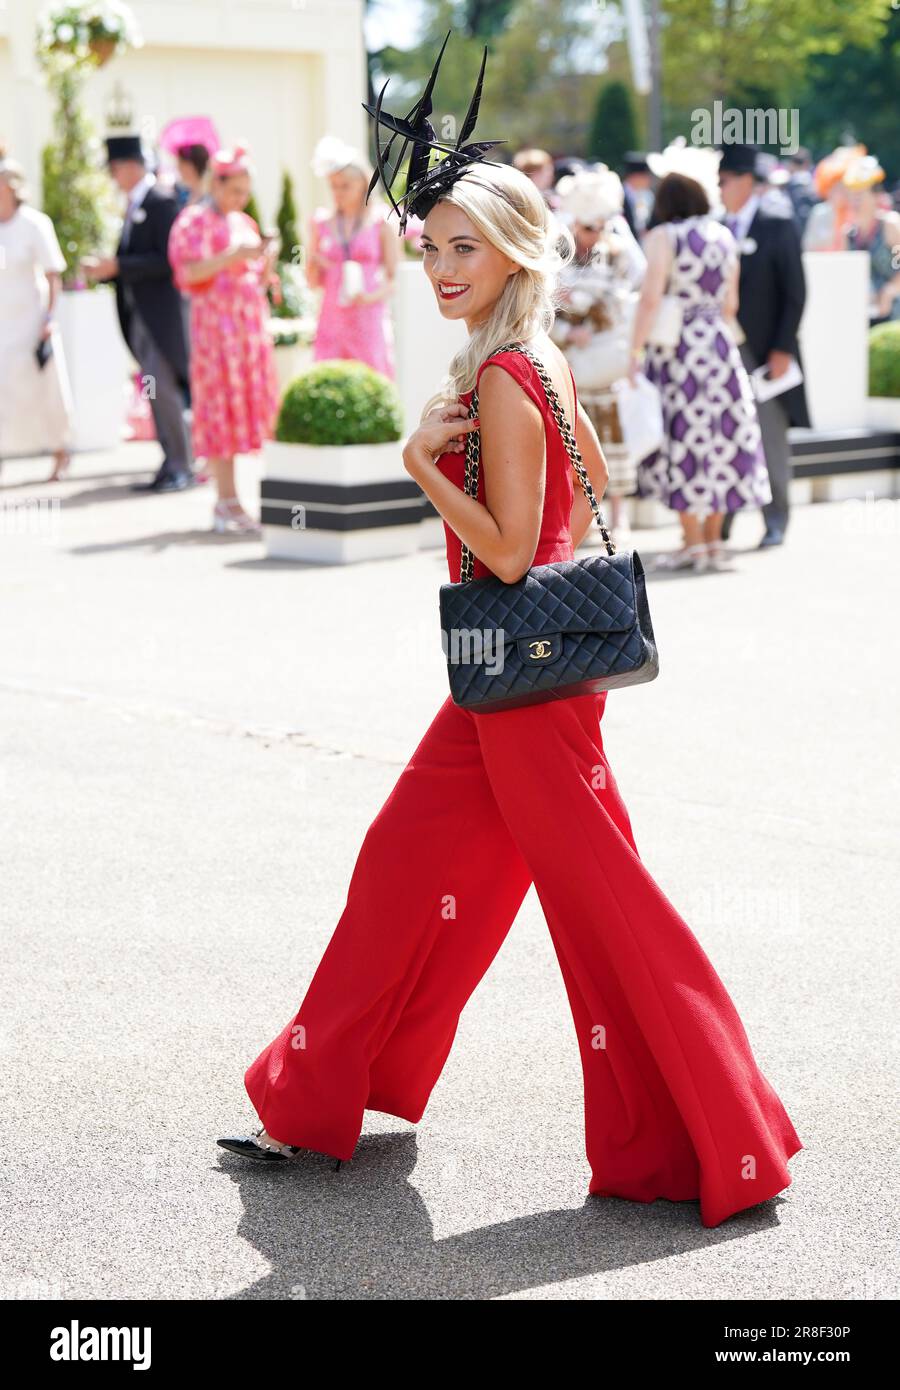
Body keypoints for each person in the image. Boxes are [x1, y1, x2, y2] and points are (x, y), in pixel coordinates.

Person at [218, 38, 803, 1232]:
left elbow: (507, 546)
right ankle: (318, 1090)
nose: (438, 265)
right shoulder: (529, 357)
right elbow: (599, 495)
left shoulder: (501, 375)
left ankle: (720, 1139)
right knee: (410, 871)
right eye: (429, 246)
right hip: (521, 679)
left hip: (522, 685)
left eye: (462, 246)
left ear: (517, 248)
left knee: (606, 912)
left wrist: (421, 464)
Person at [630, 144, 771, 572]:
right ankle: (711, 542)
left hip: (678, 348)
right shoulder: (724, 235)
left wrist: (634, 350)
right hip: (718, 344)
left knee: (683, 438)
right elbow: (730, 303)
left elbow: (651, 298)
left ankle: (692, 543)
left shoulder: (663, 237)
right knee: (719, 437)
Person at [168, 143, 279, 533]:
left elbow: (251, 273)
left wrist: (265, 265)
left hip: (246, 333)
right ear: (217, 184)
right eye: (235, 191)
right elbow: (189, 273)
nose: (241, 199)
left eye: (245, 192)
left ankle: (235, 500)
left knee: (243, 411)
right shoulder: (193, 221)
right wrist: (233, 256)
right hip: (216, 334)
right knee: (220, 411)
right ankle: (226, 501)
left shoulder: (242, 223)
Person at [83, 134, 193, 493]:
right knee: (154, 390)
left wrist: (118, 266)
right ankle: (170, 462)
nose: (113, 177)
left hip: (160, 314)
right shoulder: (138, 202)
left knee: (163, 387)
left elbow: (167, 259)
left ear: (130, 166)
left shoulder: (159, 200)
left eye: (115, 168)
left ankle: (181, 464)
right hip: (142, 314)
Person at [717, 142, 809, 548]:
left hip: (764, 348)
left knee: (770, 437)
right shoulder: (718, 226)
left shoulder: (777, 222)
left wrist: (783, 348)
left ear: (747, 181)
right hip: (721, 349)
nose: (720, 188)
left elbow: (796, 291)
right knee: (723, 434)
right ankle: (722, 518)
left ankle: (776, 520)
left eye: (725, 181)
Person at [551, 166, 645, 543]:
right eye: (589, 227)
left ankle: (617, 516)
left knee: (610, 435)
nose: (595, 235)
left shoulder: (617, 253)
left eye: (601, 227)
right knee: (569, 438)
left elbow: (623, 299)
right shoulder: (557, 252)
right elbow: (539, 305)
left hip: (602, 357)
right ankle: (579, 515)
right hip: (566, 358)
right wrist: (565, 329)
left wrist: (591, 322)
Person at [0, 152, 74, 481]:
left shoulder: (34, 224)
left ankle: (60, 450)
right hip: (3, 324)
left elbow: (52, 274)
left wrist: (48, 318)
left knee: (45, 389)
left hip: (31, 322)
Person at [307, 135, 399, 378]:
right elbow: (313, 282)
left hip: (368, 319)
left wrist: (368, 297)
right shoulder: (321, 223)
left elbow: (392, 279)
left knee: (370, 379)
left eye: (345, 186)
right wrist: (314, 264)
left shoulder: (381, 222)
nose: (338, 192)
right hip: (332, 319)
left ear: (363, 185)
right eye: (334, 186)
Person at [842, 155, 900, 323]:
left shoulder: (890, 225)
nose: (854, 201)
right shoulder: (849, 233)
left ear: (876, 195)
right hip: (864, 312)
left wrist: (890, 290)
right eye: (852, 195)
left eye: (859, 195)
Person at [621, 151, 654, 239]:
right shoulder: (620, 193)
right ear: (636, 176)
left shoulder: (648, 195)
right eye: (646, 175)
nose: (649, 179)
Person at [174, 143, 210, 210]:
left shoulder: (208, 199)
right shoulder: (180, 192)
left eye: (180, 163)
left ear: (190, 166)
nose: (178, 168)